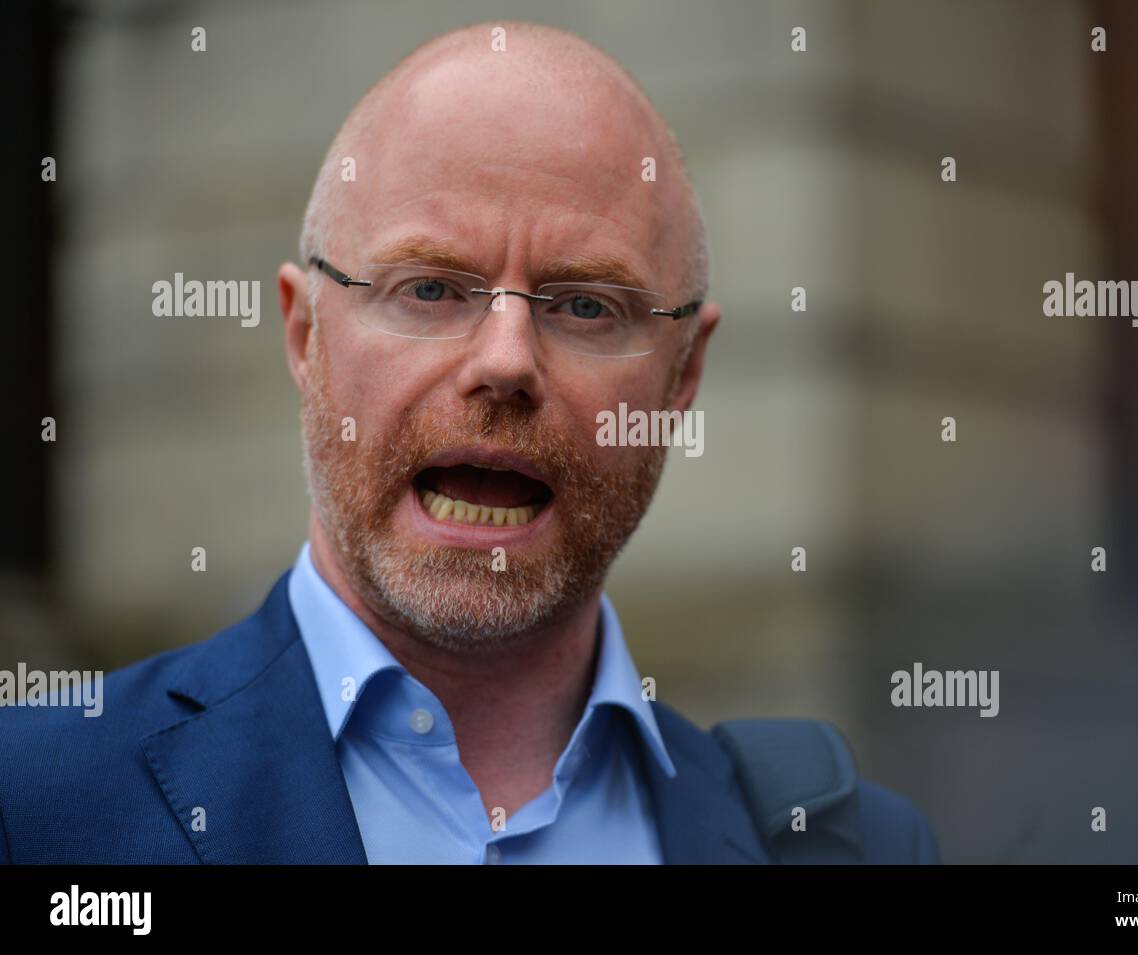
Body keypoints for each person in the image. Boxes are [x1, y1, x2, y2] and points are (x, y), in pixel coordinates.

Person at [0, 21, 938, 864]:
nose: (506, 361)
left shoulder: (849, 847)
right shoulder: (35, 804)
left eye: (585, 306)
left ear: (682, 375)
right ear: (306, 336)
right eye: (432, 289)